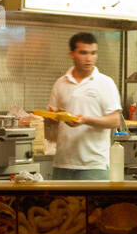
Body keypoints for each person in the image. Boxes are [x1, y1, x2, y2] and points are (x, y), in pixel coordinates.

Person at [46, 32, 123, 180]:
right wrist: (52, 118)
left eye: (93, 53)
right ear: (72, 54)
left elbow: (115, 121)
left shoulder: (105, 83)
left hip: (94, 165)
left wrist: (86, 120)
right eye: (83, 53)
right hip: (62, 163)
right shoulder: (61, 83)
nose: (89, 58)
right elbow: (52, 127)